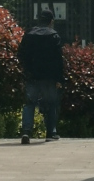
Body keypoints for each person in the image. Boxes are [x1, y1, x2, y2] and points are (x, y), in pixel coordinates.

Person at [18, 8, 64, 143]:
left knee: (29, 103)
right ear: (51, 21)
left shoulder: (29, 34)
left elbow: (20, 54)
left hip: (32, 75)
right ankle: (51, 132)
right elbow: (58, 59)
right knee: (51, 103)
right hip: (49, 76)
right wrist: (59, 78)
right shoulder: (54, 35)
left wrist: (27, 70)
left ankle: (26, 131)